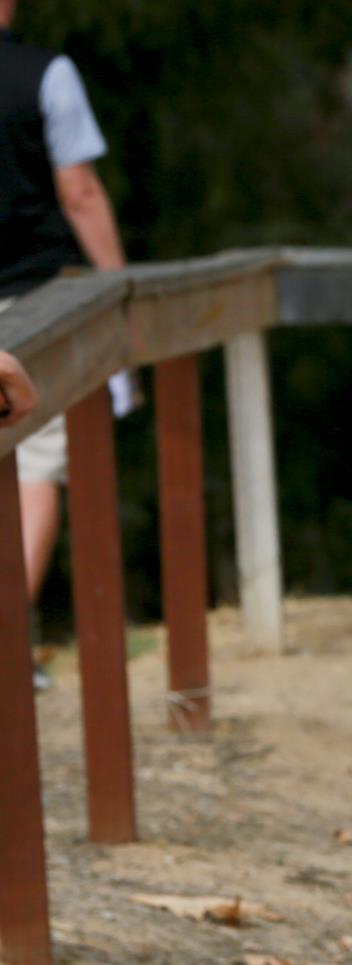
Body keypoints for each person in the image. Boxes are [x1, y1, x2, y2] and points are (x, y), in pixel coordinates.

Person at [1, 2, 132, 689]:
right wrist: (116, 294)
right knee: (35, 468)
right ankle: (5, 640)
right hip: (34, 299)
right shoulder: (45, 73)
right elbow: (78, 189)